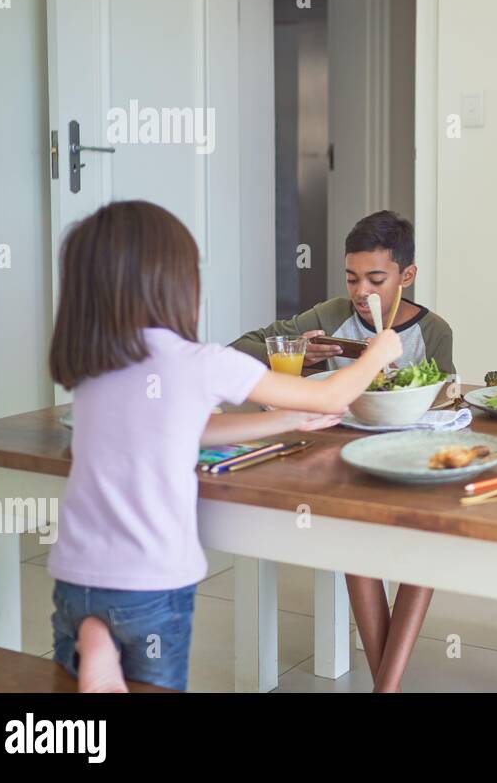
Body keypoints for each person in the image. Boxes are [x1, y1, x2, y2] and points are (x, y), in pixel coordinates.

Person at [47, 200, 400, 692]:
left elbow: (179, 430)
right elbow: (334, 392)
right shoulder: (197, 362)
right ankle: (104, 647)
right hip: (149, 581)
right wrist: (379, 350)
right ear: (173, 284)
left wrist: (283, 419)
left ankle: (96, 641)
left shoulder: (95, 367)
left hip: (75, 577)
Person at [231, 209, 452, 692]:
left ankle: (383, 687)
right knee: (356, 545)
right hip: (338, 461)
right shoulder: (331, 316)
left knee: (427, 546)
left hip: (407, 462)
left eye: (376, 278)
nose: (360, 291)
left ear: (407, 275)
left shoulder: (433, 332)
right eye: (352, 278)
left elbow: (444, 401)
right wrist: (290, 348)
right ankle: (387, 687)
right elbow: (239, 350)